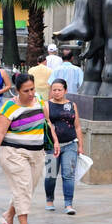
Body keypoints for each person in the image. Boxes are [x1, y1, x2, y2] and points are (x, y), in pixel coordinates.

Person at [0, 72, 58, 224]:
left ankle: (8, 216)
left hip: (37, 153)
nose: (31, 93)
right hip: (13, 153)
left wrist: (54, 141)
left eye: (32, 89)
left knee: (26, 189)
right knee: (23, 187)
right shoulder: (9, 107)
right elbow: (0, 132)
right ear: (17, 91)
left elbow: (47, 122)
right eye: (26, 91)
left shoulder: (40, 101)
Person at [43, 79, 83, 214]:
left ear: (65, 90)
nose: (56, 92)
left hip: (70, 144)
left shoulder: (72, 105)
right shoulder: (46, 105)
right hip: (52, 146)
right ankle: (49, 200)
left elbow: (77, 127)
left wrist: (80, 146)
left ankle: (68, 204)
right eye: (54, 89)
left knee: (68, 175)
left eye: (59, 89)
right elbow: (47, 124)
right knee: (50, 175)